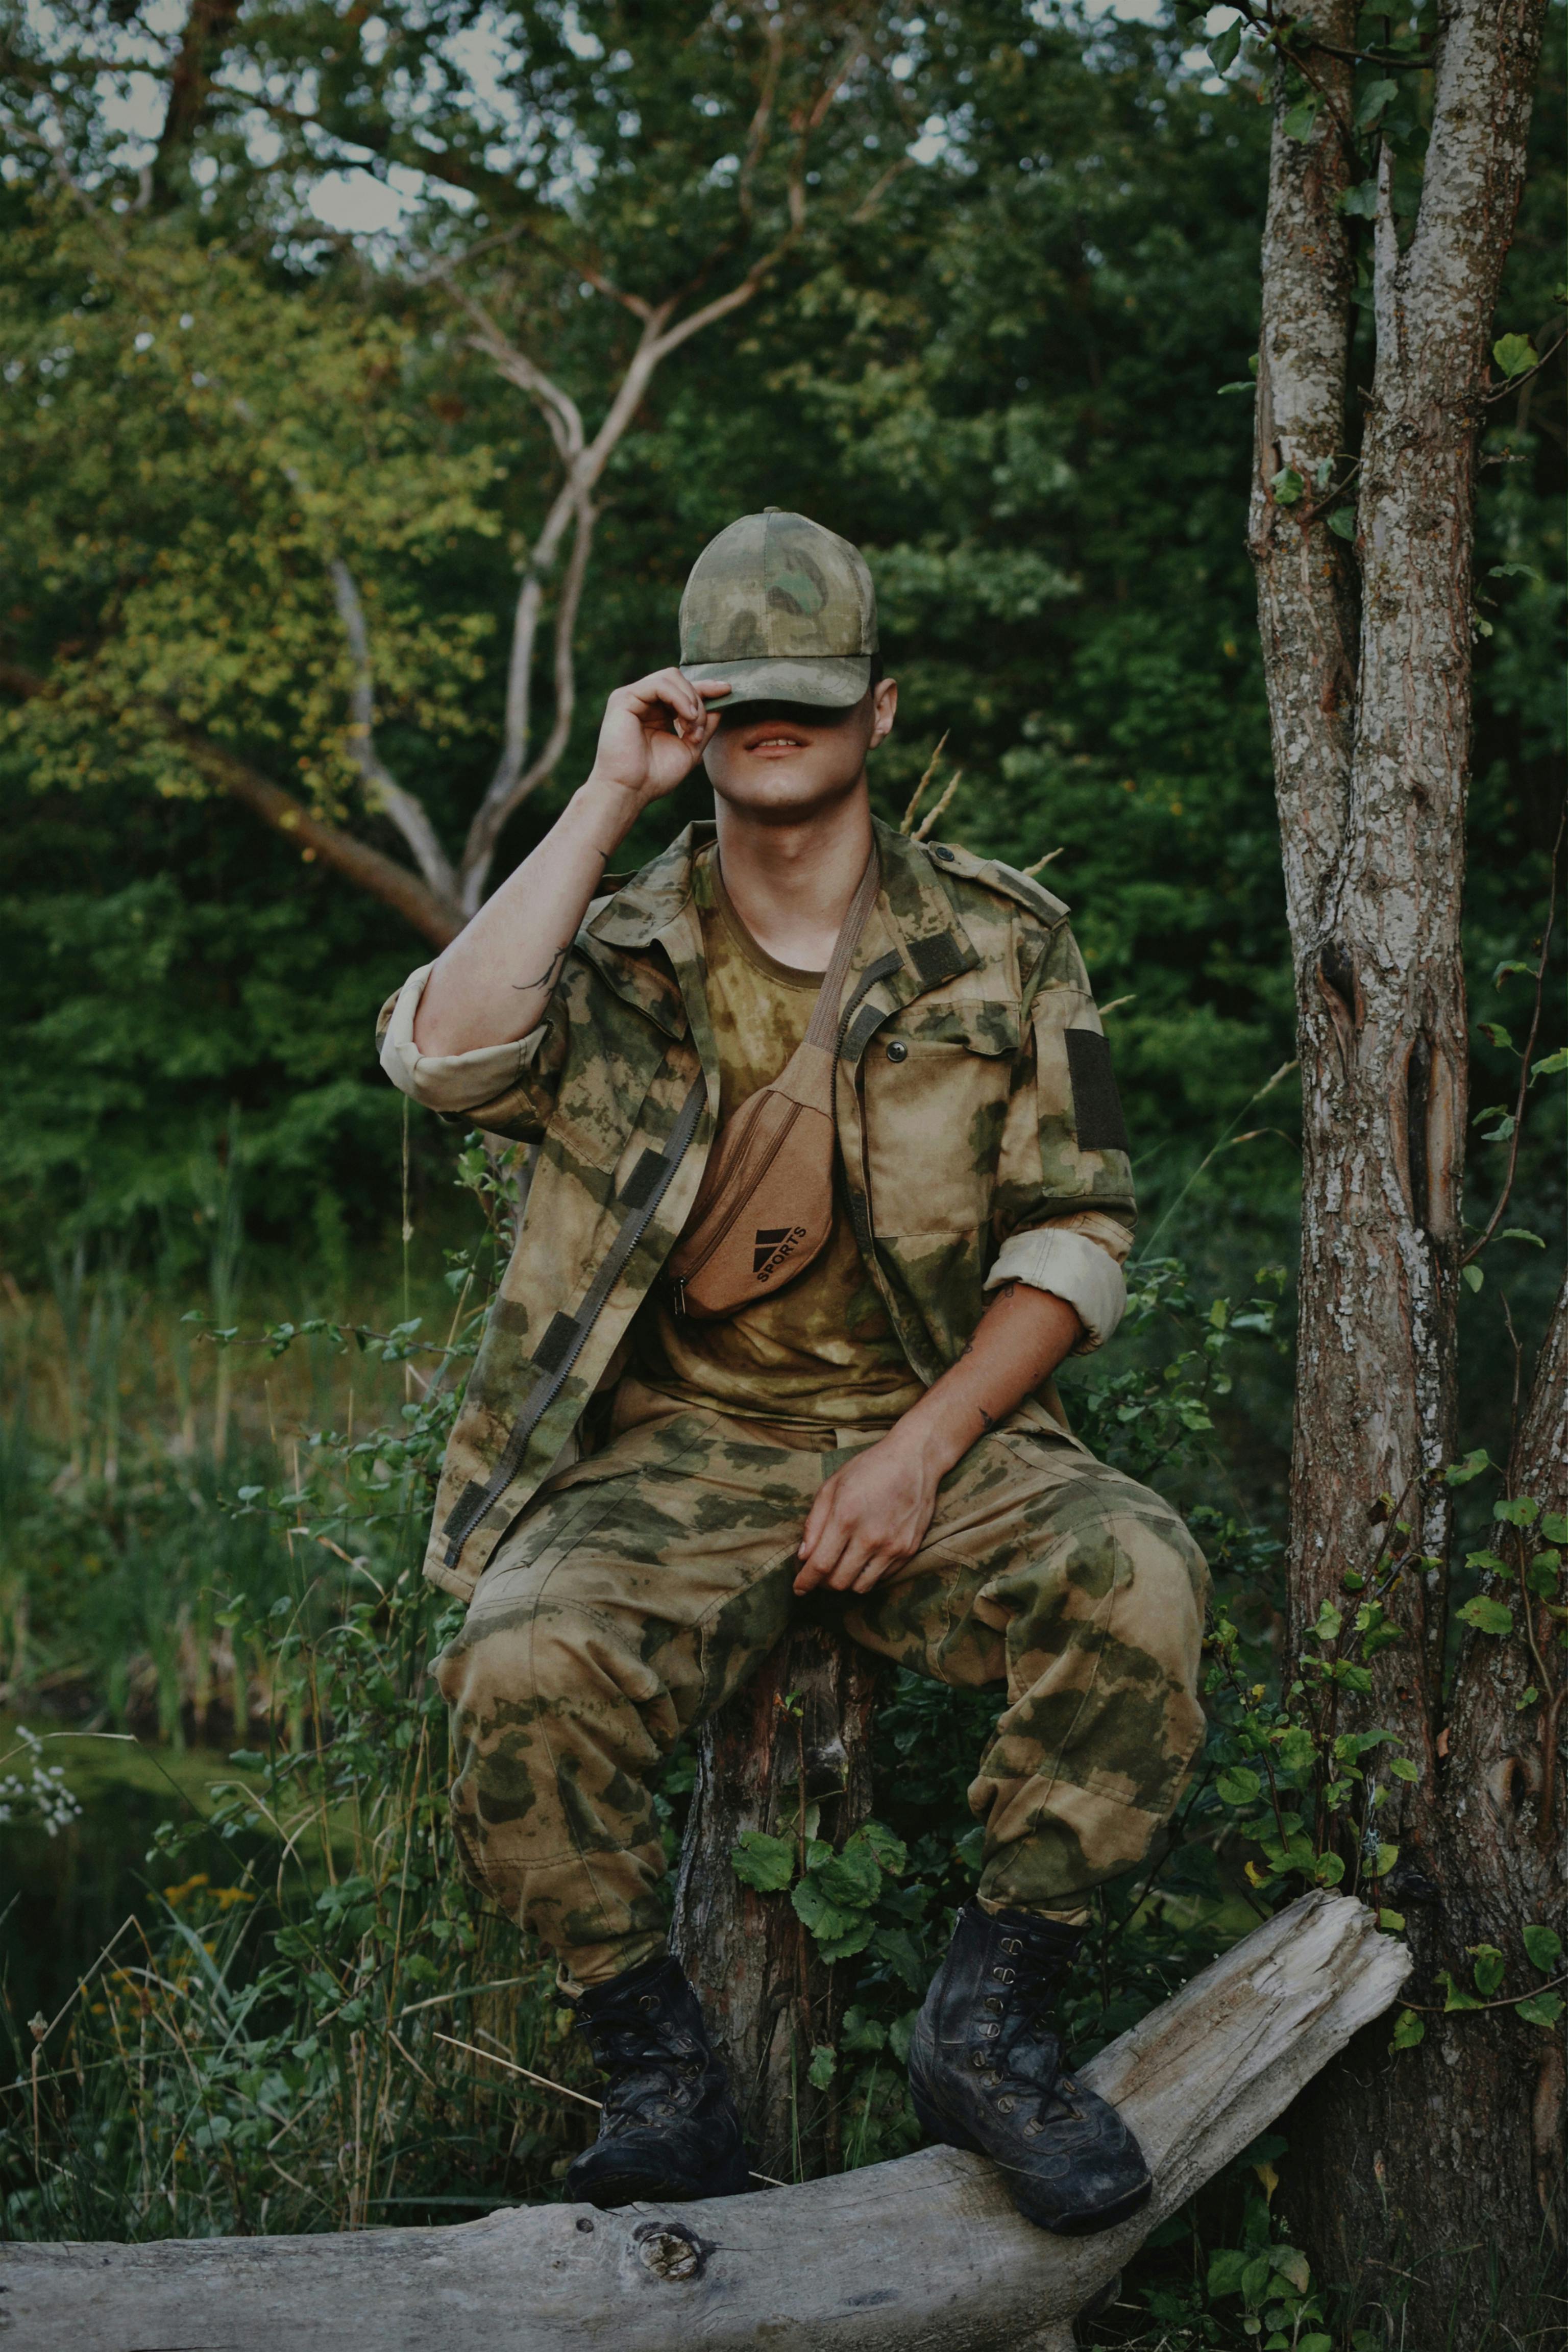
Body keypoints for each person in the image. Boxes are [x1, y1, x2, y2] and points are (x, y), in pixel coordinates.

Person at [376, 508, 1207, 2232]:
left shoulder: (1007, 941)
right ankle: (662, 2070)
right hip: (680, 1450)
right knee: (519, 1665)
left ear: (880, 715)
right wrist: (611, 792)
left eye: (815, 700)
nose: (778, 727)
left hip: (939, 1434)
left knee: (1137, 1580)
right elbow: (445, 1061)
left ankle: (988, 2025)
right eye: (740, 696)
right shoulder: (617, 947)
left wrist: (921, 1451)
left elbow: (1083, 1233)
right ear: (690, 704)